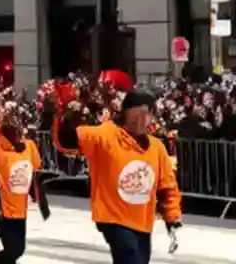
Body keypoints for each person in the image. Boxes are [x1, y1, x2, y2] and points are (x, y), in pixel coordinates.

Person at [57, 90, 182, 264]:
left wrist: (171, 216)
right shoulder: (106, 135)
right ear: (126, 113)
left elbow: (166, 186)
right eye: (138, 114)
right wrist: (66, 117)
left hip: (142, 219)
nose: (143, 120)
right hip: (112, 216)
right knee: (130, 257)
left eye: (147, 114)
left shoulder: (157, 147)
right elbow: (68, 141)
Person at [0, 113, 49, 264]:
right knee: (14, 250)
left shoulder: (29, 146)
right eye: (15, 132)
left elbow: (36, 171)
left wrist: (39, 197)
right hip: (3, 209)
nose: (19, 135)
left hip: (20, 209)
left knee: (13, 252)